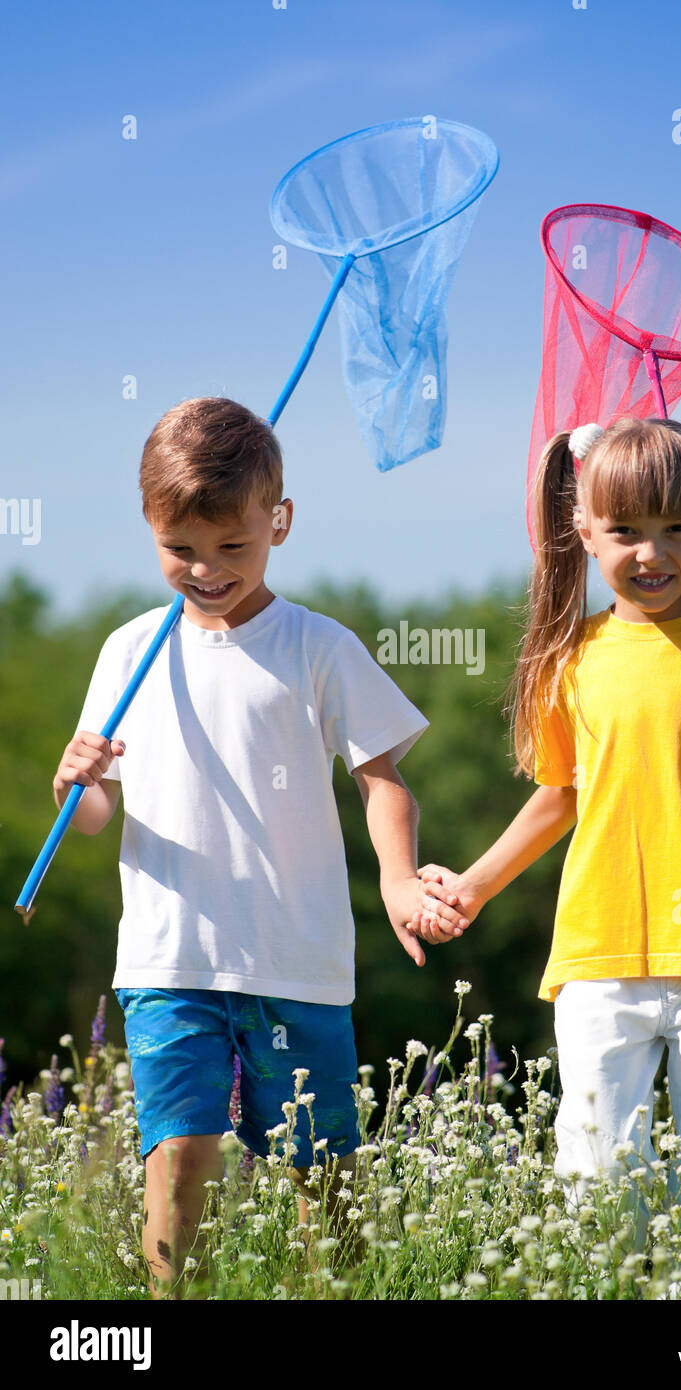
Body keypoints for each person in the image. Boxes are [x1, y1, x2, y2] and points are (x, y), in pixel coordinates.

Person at [51, 396, 468, 1297]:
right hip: (168, 954)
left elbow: (381, 776)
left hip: (294, 955)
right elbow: (93, 818)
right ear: (150, 527)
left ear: (278, 521)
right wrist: (75, 783)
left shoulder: (319, 646)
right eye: (181, 549)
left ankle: (345, 1293)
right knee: (181, 1144)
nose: (205, 570)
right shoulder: (128, 651)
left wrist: (398, 880)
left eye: (231, 548)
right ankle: (169, 1304)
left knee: (320, 1165)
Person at [414, 416, 681, 1249]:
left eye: (677, 528)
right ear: (583, 532)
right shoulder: (569, 658)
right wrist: (474, 883)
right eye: (626, 531)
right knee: (597, 1169)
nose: (653, 552)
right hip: (598, 951)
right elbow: (558, 798)